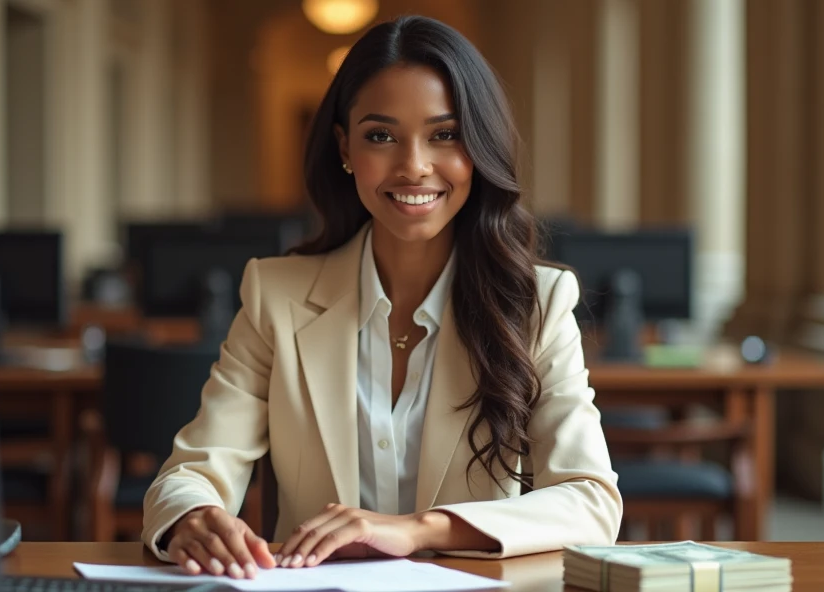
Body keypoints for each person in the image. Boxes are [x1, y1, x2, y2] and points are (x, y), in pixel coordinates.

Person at [142, 14, 622, 580]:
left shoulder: (537, 303)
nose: (414, 165)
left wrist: (416, 529)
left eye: (444, 135)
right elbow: (191, 471)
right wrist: (192, 515)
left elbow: (591, 501)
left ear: (479, 148)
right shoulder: (276, 296)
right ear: (345, 148)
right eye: (381, 136)